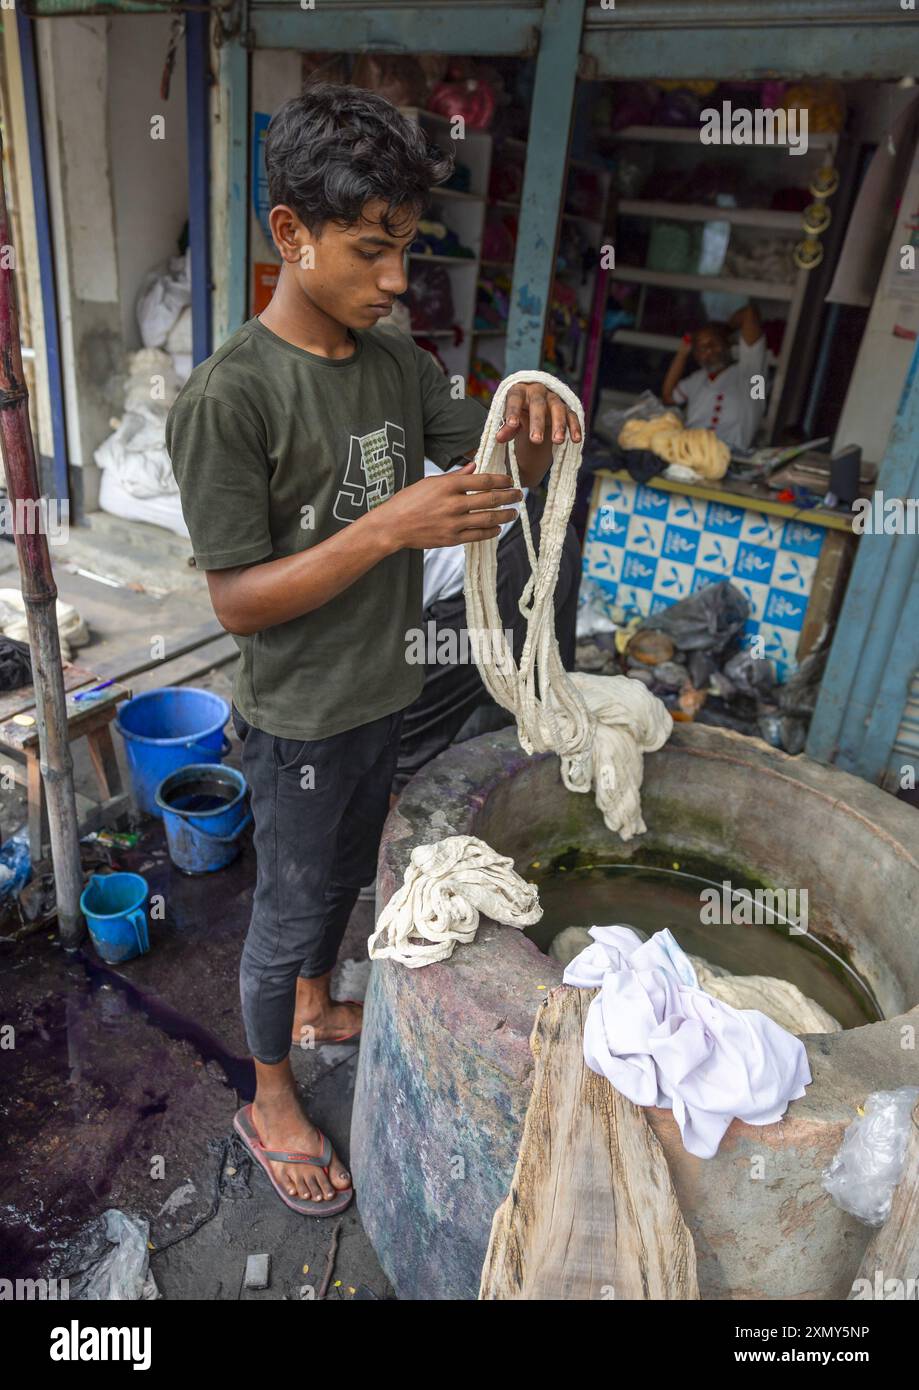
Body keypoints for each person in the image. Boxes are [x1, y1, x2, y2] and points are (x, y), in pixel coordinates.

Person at [164, 83, 582, 1217]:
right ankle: (270, 1096)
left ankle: (312, 1005)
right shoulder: (230, 399)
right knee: (290, 910)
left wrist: (535, 432)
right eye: (369, 250)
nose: (396, 278)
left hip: (381, 692)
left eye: (404, 247)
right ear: (290, 234)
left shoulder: (395, 366)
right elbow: (239, 598)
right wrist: (389, 524)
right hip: (299, 712)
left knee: (349, 876)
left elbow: (494, 465)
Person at [391, 456, 582, 795]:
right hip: (543, 524)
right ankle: (535, 799)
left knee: (400, 744)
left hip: (497, 569)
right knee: (543, 704)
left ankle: (401, 836)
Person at [661, 303, 767, 451]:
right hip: (690, 454)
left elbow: (750, 312)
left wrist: (726, 329)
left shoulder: (752, 376)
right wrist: (682, 354)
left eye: (715, 342)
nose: (710, 350)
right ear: (696, 355)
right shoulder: (696, 380)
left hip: (731, 457)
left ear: (728, 344)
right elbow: (668, 397)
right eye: (702, 348)